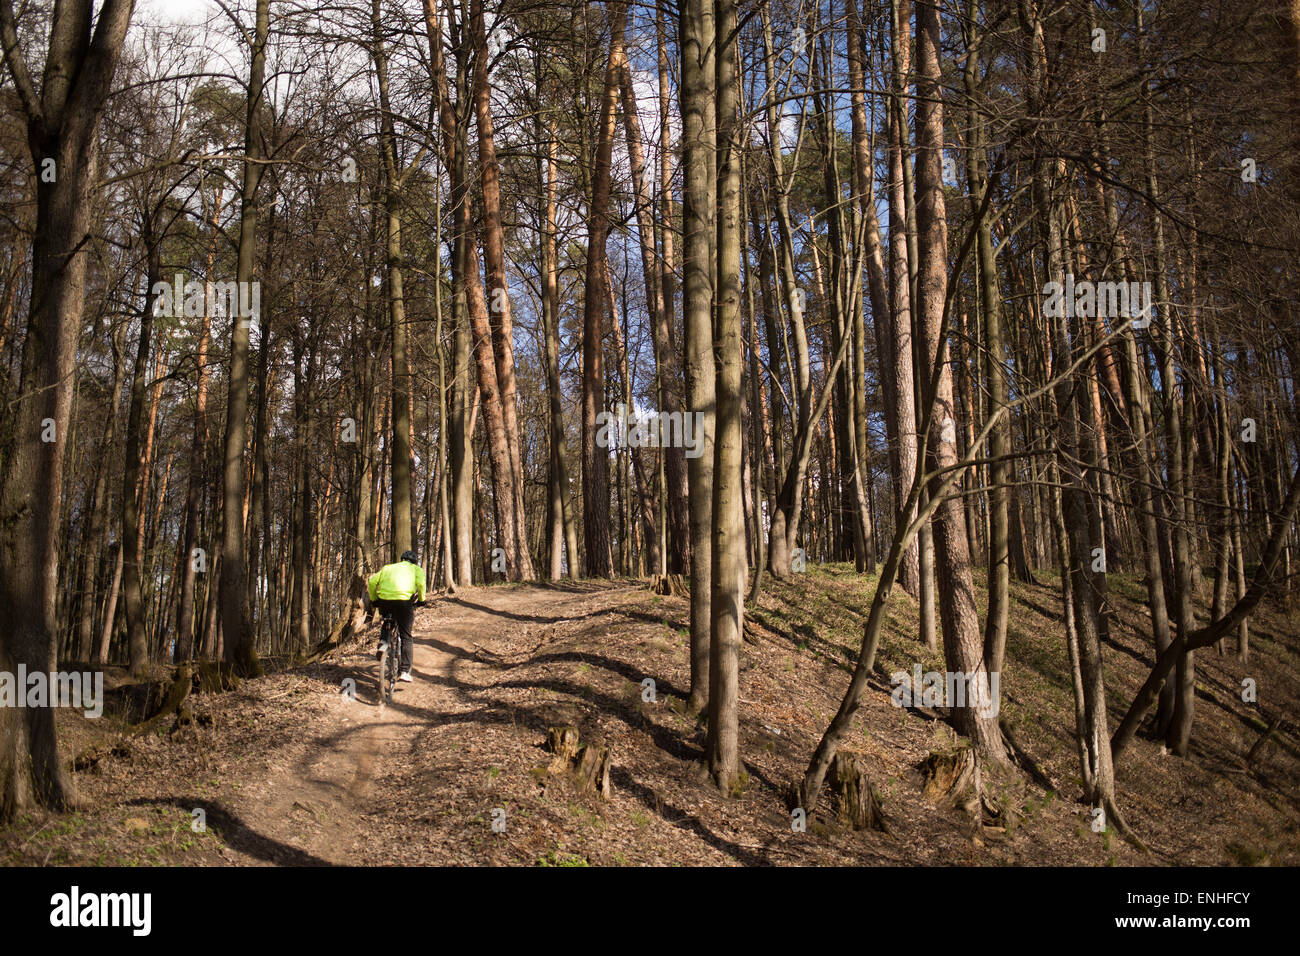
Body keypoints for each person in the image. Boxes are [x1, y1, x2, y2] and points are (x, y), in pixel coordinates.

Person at [367, 550, 426, 682]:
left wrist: (374, 599)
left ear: (401, 559)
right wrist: (422, 600)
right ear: (414, 562)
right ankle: (405, 671)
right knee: (406, 636)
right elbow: (421, 585)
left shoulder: (387, 568)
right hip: (404, 603)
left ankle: (383, 643)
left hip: (385, 601)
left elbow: (371, 582)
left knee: (388, 621)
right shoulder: (416, 570)